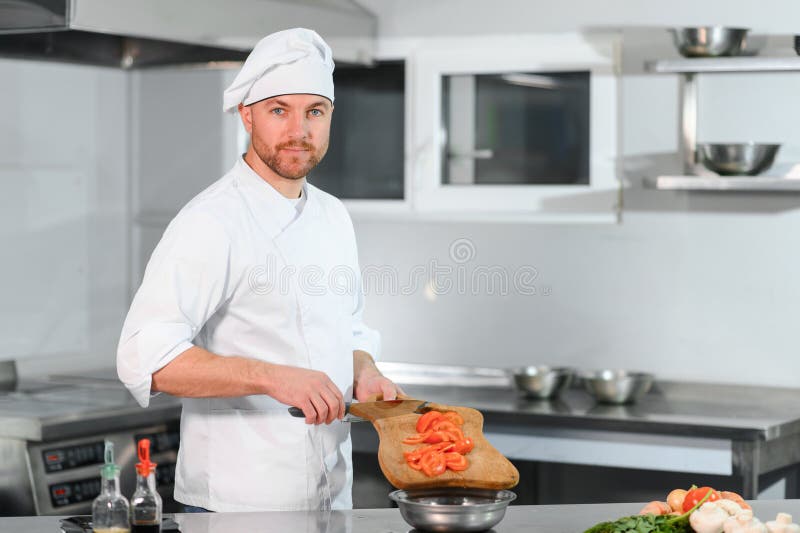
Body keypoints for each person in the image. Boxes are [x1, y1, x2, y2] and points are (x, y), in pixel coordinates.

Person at [117, 27, 401, 512]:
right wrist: (273, 377)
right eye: (278, 110)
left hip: (332, 499)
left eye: (315, 111)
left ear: (331, 115)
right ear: (247, 116)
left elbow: (344, 330)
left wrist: (365, 371)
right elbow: (145, 358)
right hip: (235, 505)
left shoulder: (333, 216)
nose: (298, 131)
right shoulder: (212, 221)